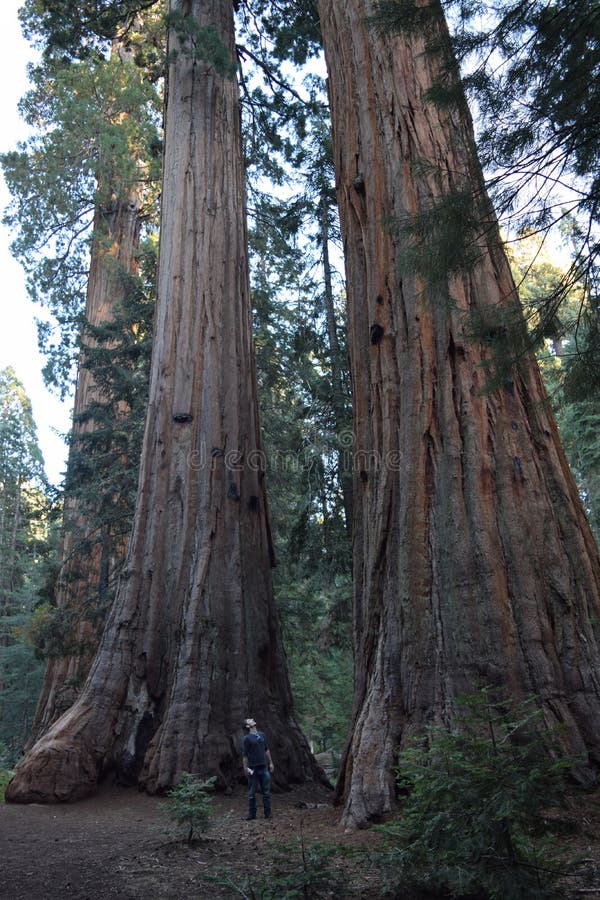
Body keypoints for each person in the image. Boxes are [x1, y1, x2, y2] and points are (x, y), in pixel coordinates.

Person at [242, 717, 274, 820]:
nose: (252, 719)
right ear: (248, 726)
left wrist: (271, 763)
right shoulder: (246, 738)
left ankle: (268, 813)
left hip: (263, 767)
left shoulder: (262, 735)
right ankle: (252, 814)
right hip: (253, 768)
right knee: (251, 793)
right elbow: (245, 755)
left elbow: (266, 750)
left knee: (266, 792)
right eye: (249, 720)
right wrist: (245, 768)